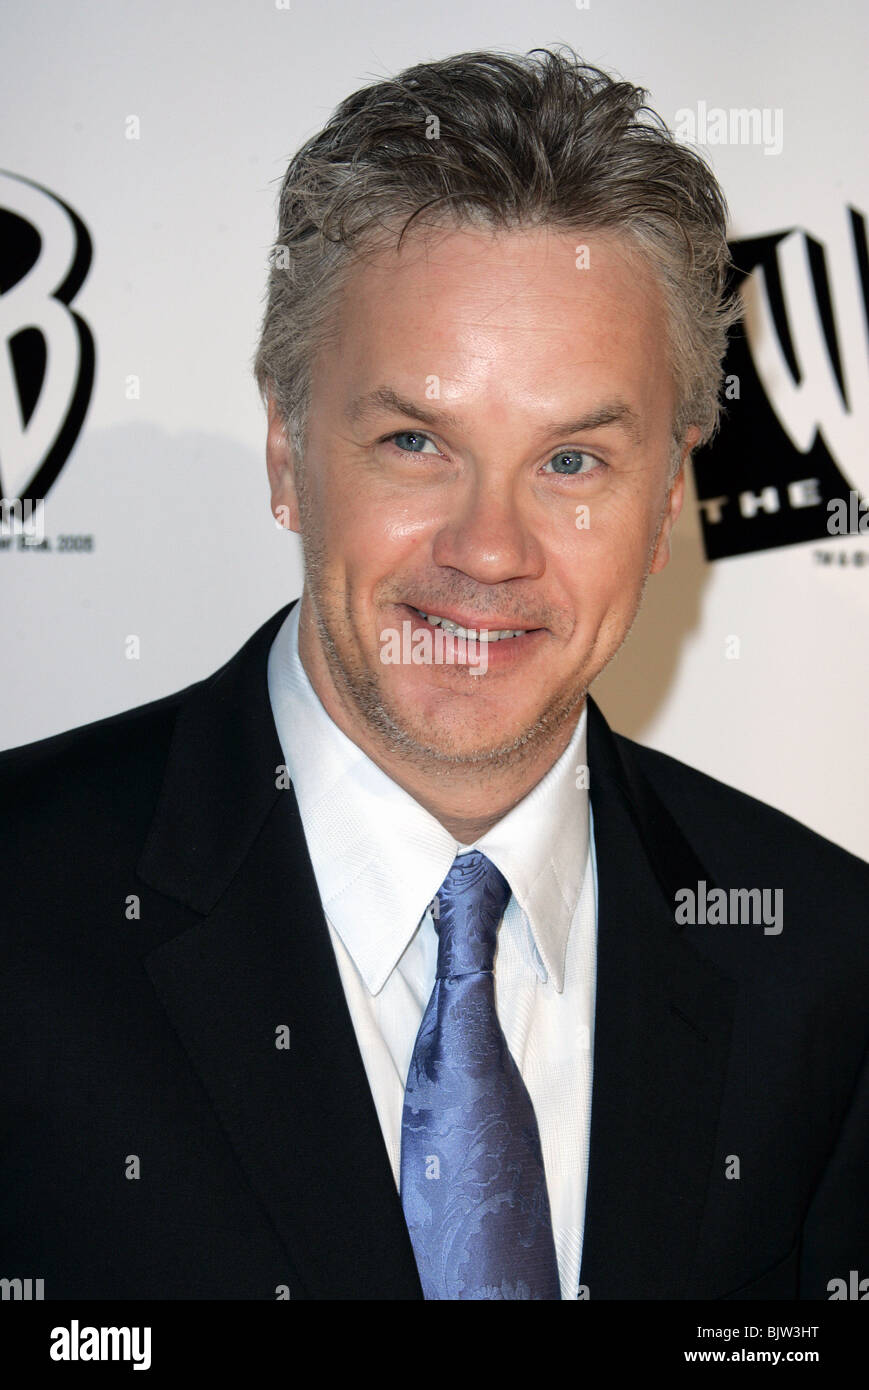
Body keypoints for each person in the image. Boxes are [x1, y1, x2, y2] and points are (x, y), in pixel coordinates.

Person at [1, 47, 867, 1302]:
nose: (489, 550)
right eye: (415, 440)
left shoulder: (824, 964)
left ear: (668, 495)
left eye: (572, 461)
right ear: (288, 449)